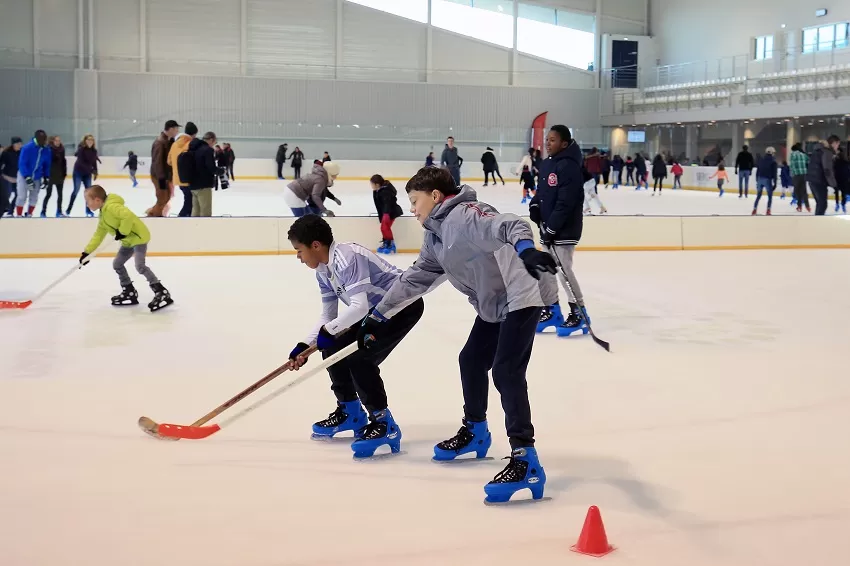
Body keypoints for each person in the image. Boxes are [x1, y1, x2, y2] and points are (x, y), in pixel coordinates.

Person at [358, 166, 557, 504]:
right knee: (471, 360)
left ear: (435, 196)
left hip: (522, 292)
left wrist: (525, 249)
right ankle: (476, 432)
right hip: (495, 303)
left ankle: (526, 459)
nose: (412, 209)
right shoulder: (435, 235)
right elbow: (416, 277)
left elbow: (512, 224)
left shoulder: (465, 216)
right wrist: (378, 315)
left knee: (507, 372)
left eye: (415, 200)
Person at [286, 215, 424, 458]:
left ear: (315, 245)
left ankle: (385, 425)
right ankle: (351, 412)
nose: (298, 257)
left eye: (299, 250)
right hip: (374, 311)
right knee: (332, 349)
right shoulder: (323, 271)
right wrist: (305, 345)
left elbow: (358, 307)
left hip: (400, 307)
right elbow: (329, 316)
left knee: (360, 359)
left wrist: (328, 333)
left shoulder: (347, 256)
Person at [530, 125, 590, 338]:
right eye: (547, 139)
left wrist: (552, 227)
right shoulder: (547, 164)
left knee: (564, 271)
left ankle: (579, 312)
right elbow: (542, 192)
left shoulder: (569, 167)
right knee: (545, 269)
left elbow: (566, 202)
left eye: (553, 140)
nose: (548, 143)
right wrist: (535, 206)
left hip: (564, 229)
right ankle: (552, 310)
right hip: (548, 227)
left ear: (564, 143)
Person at [79, 185, 173, 311]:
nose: (87, 204)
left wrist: (122, 231)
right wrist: (87, 252)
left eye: (87, 201)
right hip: (128, 241)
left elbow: (127, 216)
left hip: (138, 238)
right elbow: (98, 235)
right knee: (117, 264)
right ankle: (129, 290)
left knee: (140, 266)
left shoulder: (112, 207)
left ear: (97, 200)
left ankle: (161, 291)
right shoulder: (103, 215)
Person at [148, 120, 180, 217]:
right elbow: (157, 162)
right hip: (159, 176)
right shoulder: (160, 142)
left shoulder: (167, 141)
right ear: (170, 129)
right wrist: (161, 178)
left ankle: (152, 213)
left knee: (166, 198)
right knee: (162, 198)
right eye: (176, 129)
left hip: (164, 176)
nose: (177, 131)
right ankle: (155, 217)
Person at [16, 130, 51, 217]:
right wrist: (27, 177)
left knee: (34, 197)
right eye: (43, 140)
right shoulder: (27, 148)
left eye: (45, 139)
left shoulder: (46, 150)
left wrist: (46, 177)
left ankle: (29, 214)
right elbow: (22, 163)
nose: (45, 142)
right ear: (37, 139)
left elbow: (47, 164)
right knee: (22, 197)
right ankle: (19, 215)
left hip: (36, 177)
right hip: (23, 175)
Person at [187, 131, 220, 217]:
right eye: (215, 142)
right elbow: (211, 167)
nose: (214, 144)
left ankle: (194, 228)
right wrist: (220, 171)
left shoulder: (193, 148)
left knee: (195, 210)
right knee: (205, 211)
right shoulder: (208, 150)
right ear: (211, 140)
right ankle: (205, 229)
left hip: (193, 184)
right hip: (203, 185)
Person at [168, 122, 198, 217]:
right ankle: (181, 218)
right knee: (190, 201)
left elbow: (169, 161)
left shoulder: (175, 144)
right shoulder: (191, 144)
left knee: (188, 199)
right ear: (194, 134)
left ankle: (186, 217)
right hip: (188, 178)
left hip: (178, 178)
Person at [807, 136, 840, 216]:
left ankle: (817, 223)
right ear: (833, 143)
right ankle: (817, 224)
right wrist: (834, 184)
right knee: (822, 204)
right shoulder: (827, 152)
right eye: (838, 144)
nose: (838, 146)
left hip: (812, 180)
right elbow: (827, 170)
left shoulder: (818, 150)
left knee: (820, 204)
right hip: (819, 181)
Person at [67, 134, 100, 217]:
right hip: (78, 172)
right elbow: (81, 163)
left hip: (87, 174)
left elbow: (94, 162)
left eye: (92, 140)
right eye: (88, 140)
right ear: (85, 141)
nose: (90, 141)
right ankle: (68, 209)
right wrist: (91, 170)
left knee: (89, 193)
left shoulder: (94, 151)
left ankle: (88, 211)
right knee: (76, 190)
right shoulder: (81, 150)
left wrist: (95, 171)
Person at [371, 174, 403, 254]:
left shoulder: (386, 191)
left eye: (372, 184)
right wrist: (381, 215)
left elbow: (387, 203)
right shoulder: (376, 191)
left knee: (385, 228)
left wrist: (386, 214)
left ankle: (391, 244)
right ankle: (386, 243)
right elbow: (378, 205)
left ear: (377, 184)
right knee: (384, 228)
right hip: (385, 212)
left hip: (391, 212)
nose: (371, 186)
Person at [42, 136, 67, 217]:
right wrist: (45, 176)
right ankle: (43, 211)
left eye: (59, 140)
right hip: (50, 175)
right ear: (53, 141)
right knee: (48, 194)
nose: (58, 142)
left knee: (60, 195)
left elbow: (63, 162)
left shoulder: (62, 149)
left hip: (59, 175)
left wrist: (64, 173)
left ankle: (59, 211)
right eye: (56, 140)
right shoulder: (48, 150)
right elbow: (45, 162)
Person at [752, 147, 778, 215]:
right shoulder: (773, 162)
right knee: (770, 196)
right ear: (772, 153)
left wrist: (757, 180)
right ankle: (768, 210)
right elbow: (775, 174)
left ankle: (754, 209)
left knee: (758, 196)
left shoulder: (761, 160)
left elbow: (758, 170)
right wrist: (775, 183)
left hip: (760, 179)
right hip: (767, 179)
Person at [1, 136, 23, 217]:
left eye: (21, 143)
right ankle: (4, 209)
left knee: (18, 195)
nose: (20, 145)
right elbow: (1, 164)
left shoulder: (22, 152)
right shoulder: (6, 153)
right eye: (18, 143)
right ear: (13, 144)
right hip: (7, 177)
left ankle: (11, 211)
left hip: (18, 178)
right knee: (6, 195)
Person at [788, 143, 810, 212]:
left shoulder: (793, 154)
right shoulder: (803, 154)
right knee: (804, 191)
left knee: (797, 191)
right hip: (804, 174)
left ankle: (799, 206)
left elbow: (792, 165)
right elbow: (809, 161)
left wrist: (792, 174)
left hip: (796, 175)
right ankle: (807, 206)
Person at [833, 146, 849, 215]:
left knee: (837, 192)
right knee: (843, 193)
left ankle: (838, 204)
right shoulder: (846, 162)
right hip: (844, 179)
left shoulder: (835, 161)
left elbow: (833, 170)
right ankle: (843, 204)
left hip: (837, 179)